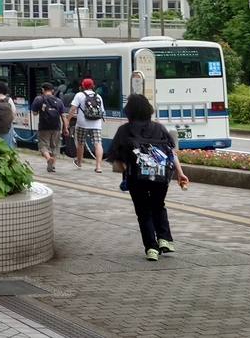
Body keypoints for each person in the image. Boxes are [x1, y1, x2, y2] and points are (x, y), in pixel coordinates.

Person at [107, 94, 189, 261]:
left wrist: (126, 171)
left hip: (137, 177)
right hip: (160, 176)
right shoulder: (159, 128)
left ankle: (151, 248)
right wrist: (180, 173)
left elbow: (115, 156)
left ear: (129, 111)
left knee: (144, 211)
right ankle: (165, 239)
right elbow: (171, 154)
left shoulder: (124, 130)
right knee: (159, 206)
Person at [67, 77, 105, 172]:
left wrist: (67, 120)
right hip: (96, 124)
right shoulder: (98, 96)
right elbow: (102, 111)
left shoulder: (79, 95)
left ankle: (79, 162)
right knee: (97, 144)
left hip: (82, 124)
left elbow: (72, 109)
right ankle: (98, 166)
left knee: (80, 143)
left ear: (82, 86)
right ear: (93, 86)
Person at [31, 82, 66, 172]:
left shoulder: (39, 99)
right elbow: (63, 116)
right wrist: (65, 128)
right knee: (54, 146)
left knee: (43, 145)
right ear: (53, 91)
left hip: (44, 127)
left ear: (43, 90)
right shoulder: (58, 101)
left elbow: (34, 113)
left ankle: (48, 158)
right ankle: (53, 166)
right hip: (56, 127)